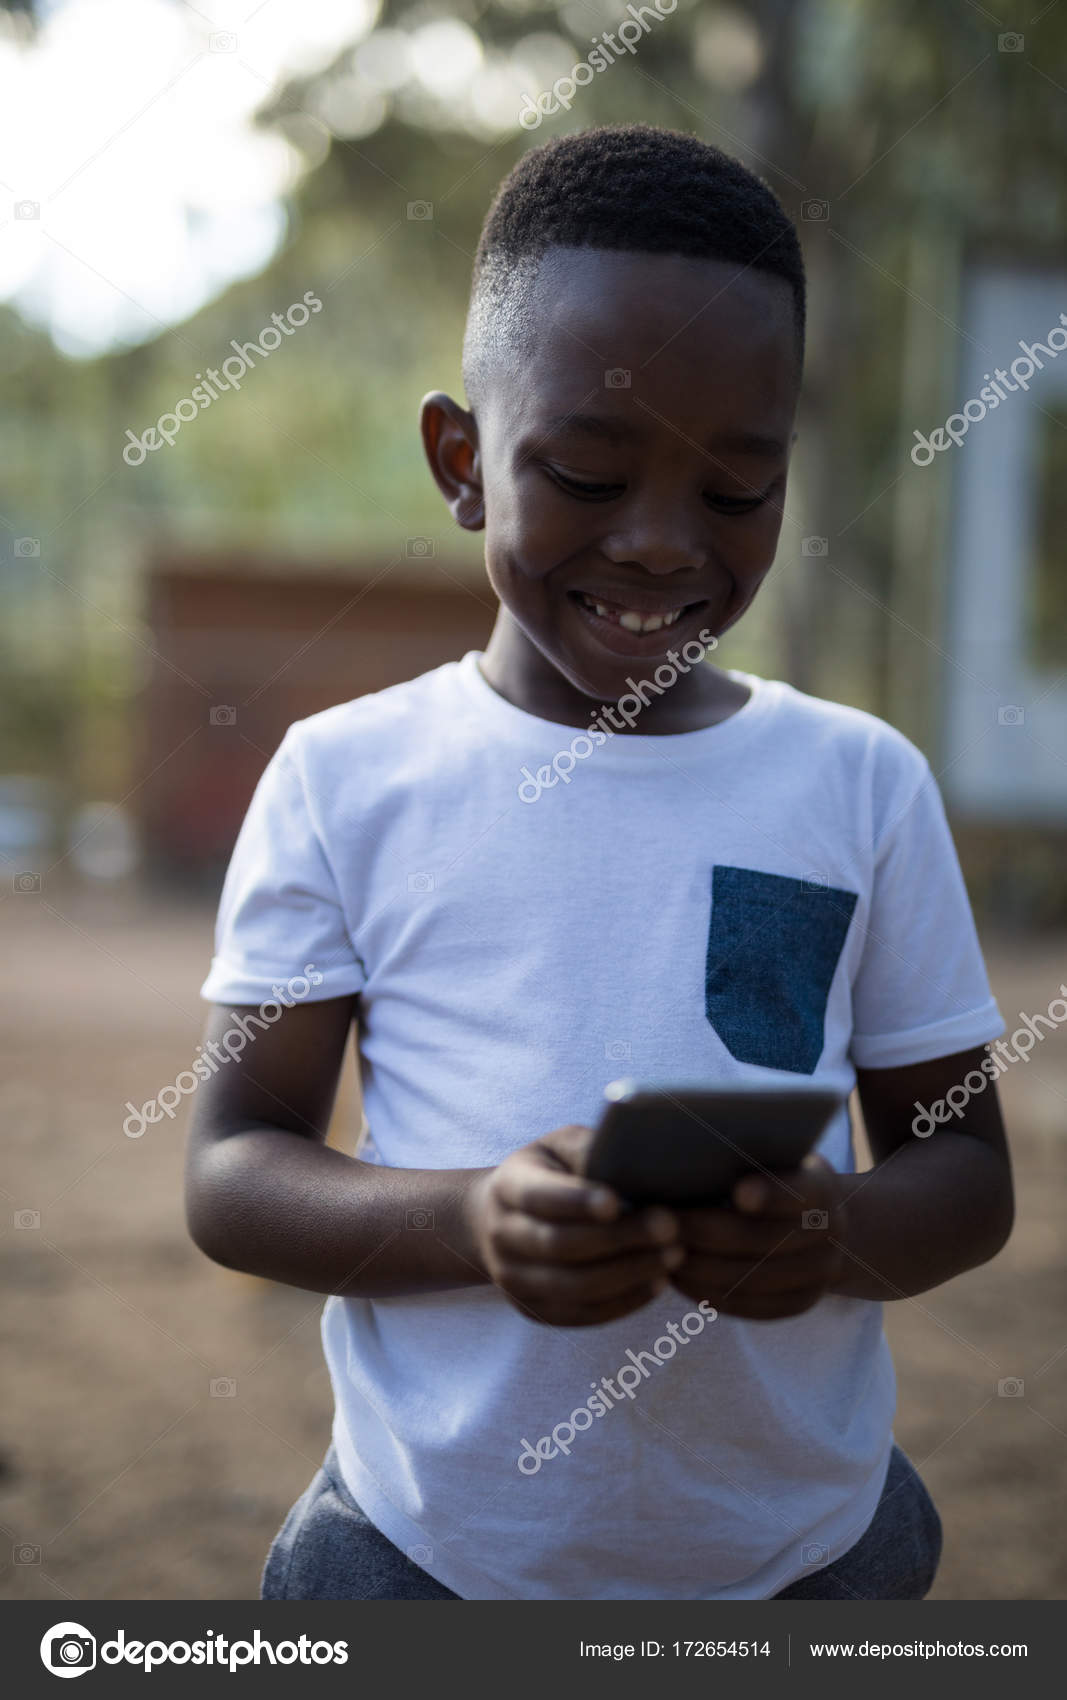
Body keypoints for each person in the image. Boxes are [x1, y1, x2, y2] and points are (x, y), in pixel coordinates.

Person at [184, 124, 1013, 1601]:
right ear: (462, 462)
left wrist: (832, 1237)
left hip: (801, 1556)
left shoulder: (859, 784)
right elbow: (237, 1169)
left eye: (736, 494)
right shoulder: (345, 778)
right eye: (584, 471)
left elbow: (962, 1172)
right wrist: (472, 1218)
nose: (656, 545)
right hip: (430, 1558)